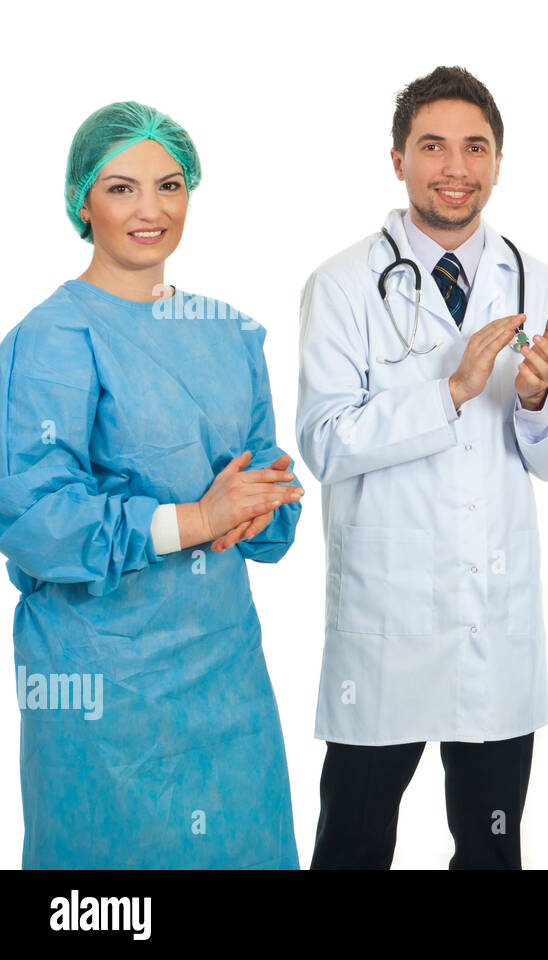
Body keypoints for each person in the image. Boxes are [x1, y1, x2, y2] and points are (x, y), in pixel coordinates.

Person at [0, 101, 303, 869]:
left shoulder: (230, 332)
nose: (151, 210)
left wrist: (263, 506)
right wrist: (195, 519)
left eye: (170, 186)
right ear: (82, 203)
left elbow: (267, 494)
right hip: (106, 692)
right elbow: (33, 517)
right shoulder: (52, 338)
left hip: (227, 678)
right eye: (121, 188)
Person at [297, 66, 548, 870]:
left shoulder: (537, 282)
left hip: (493, 618)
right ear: (398, 160)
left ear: (497, 161)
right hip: (385, 625)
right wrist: (451, 391)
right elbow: (324, 441)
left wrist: (531, 402)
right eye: (433, 147)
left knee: (491, 853)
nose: (455, 167)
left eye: (475, 147)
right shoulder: (344, 284)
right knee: (352, 847)